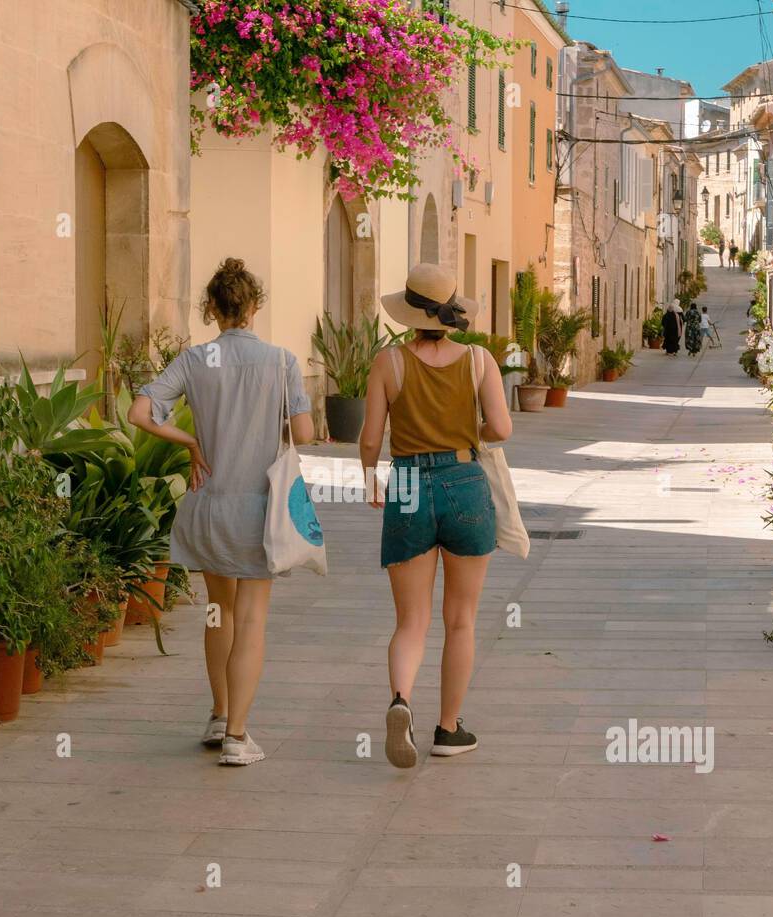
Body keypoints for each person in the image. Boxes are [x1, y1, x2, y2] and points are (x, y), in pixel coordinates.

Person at [128, 258, 315, 767]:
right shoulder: (282, 362)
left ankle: (217, 713)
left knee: (218, 611)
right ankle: (237, 736)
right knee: (252, 617)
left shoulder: (193, 361)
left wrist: (189, 438)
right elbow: (304, 434)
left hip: (208, 505)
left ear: (211, 308)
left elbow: (139, 413)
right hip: (260, 510)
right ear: (253, 307)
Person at [359, 263, 514, 769]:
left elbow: (370, 438)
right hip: (465, 480)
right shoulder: (478, 360)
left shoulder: (389, 362)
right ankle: (448, 729)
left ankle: (401, 699)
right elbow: (501, 428)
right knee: (461, 620)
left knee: (411, 621)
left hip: (405, 481)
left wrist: (367, 476)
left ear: (409, 313)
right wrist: (470, 437)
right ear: (452, 312)